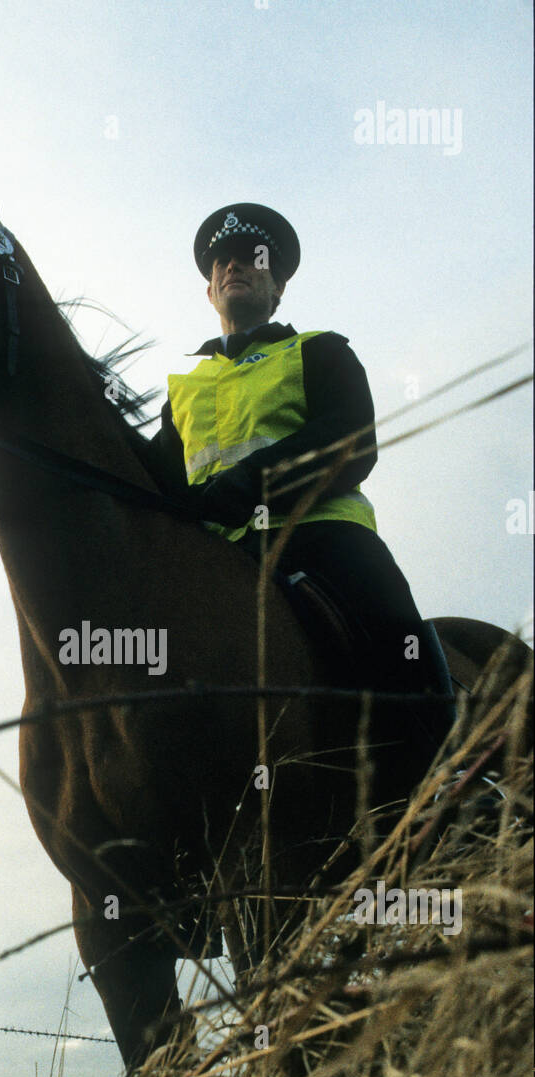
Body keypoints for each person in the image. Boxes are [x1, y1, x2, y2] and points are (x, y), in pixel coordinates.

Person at [148, 203, 452, 747]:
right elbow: (158, 484)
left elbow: (352, 442)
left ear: (278, 287)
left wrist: (246, 485)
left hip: (320, 534)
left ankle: (439, 765)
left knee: (389, 622)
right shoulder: (181, 390)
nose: (233, 268)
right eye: (221, 264)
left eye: (250, 260)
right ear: (210, 292)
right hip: (220, 554)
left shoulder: (319, 351)